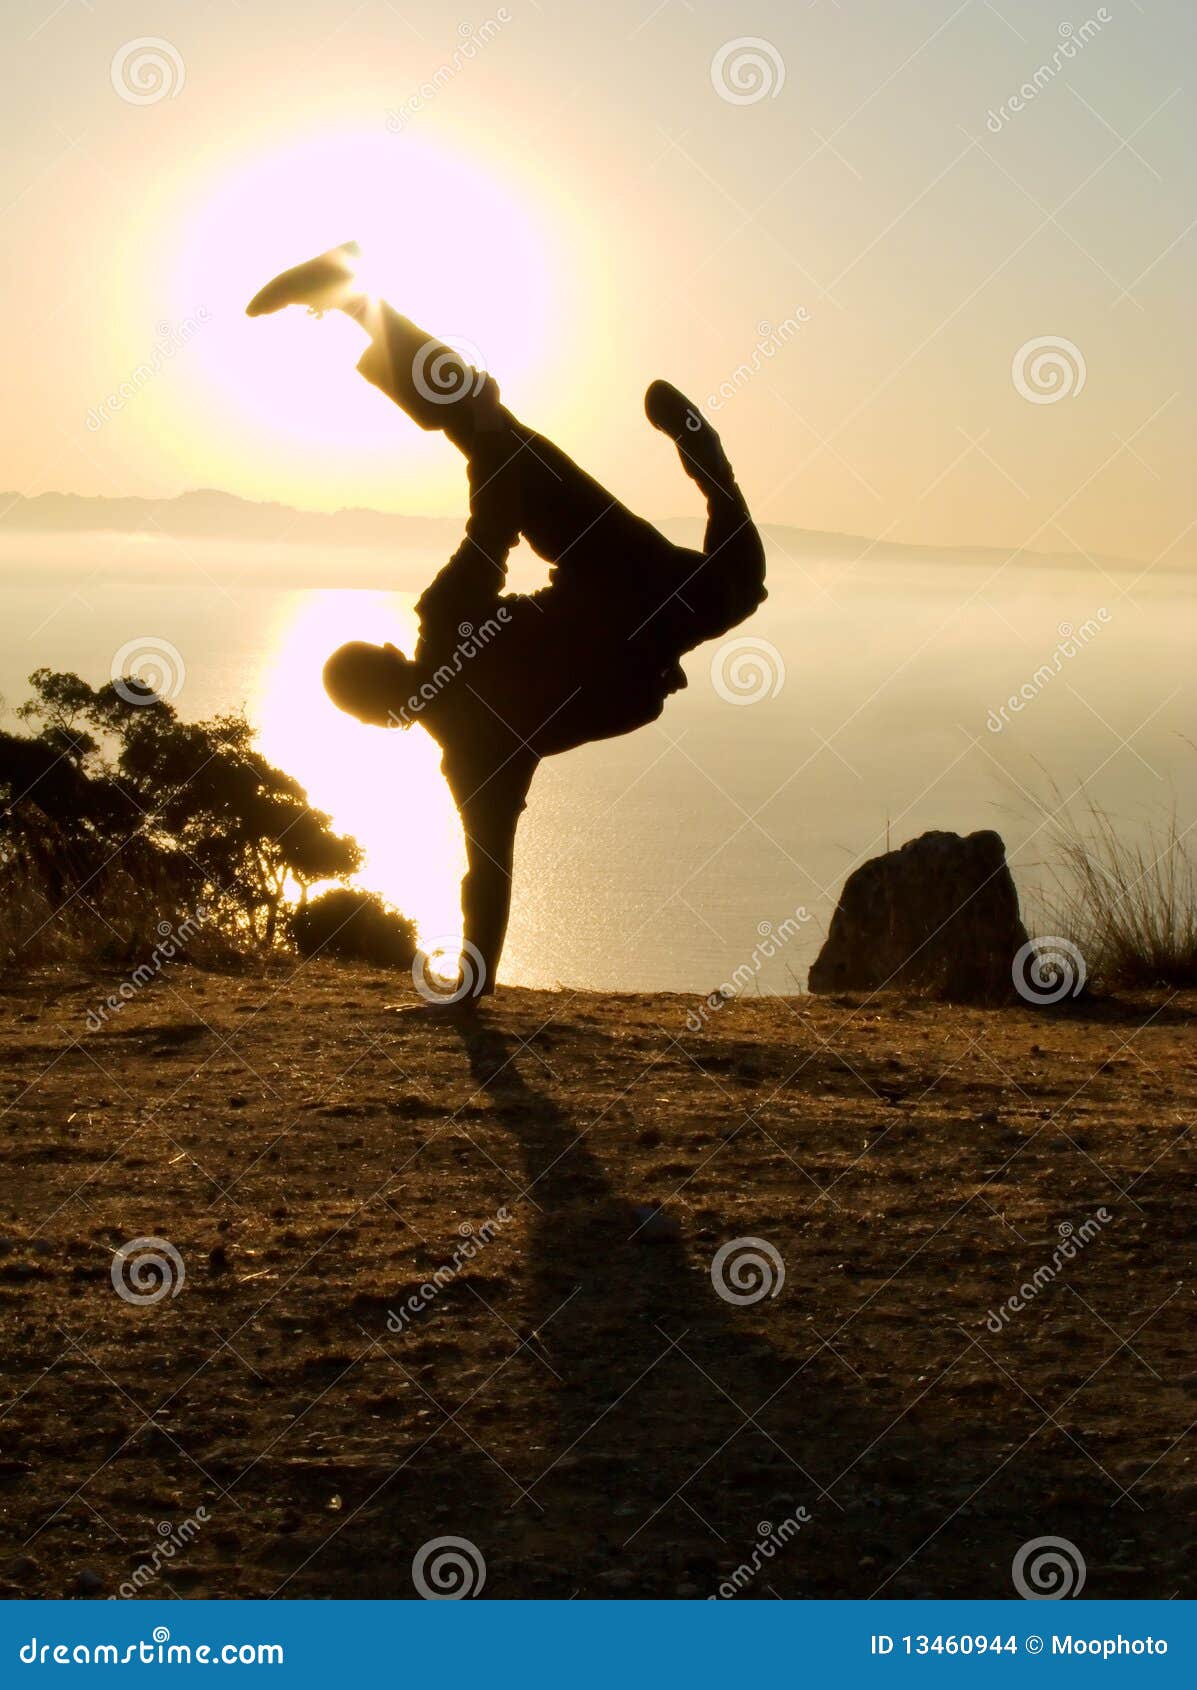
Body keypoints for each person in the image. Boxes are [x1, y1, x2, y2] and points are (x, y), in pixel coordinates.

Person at [247, 243, 767, 1002]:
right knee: (504, 442)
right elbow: (490, 532)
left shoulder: (470, 758)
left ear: (379, 721)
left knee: (738, 584)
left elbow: (485, 873)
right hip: (621, 580)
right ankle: (362, 303)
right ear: (389, 652)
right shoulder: (442, 628)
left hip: (658, 609)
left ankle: (369, 311)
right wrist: (488, 434)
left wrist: (473, 982)